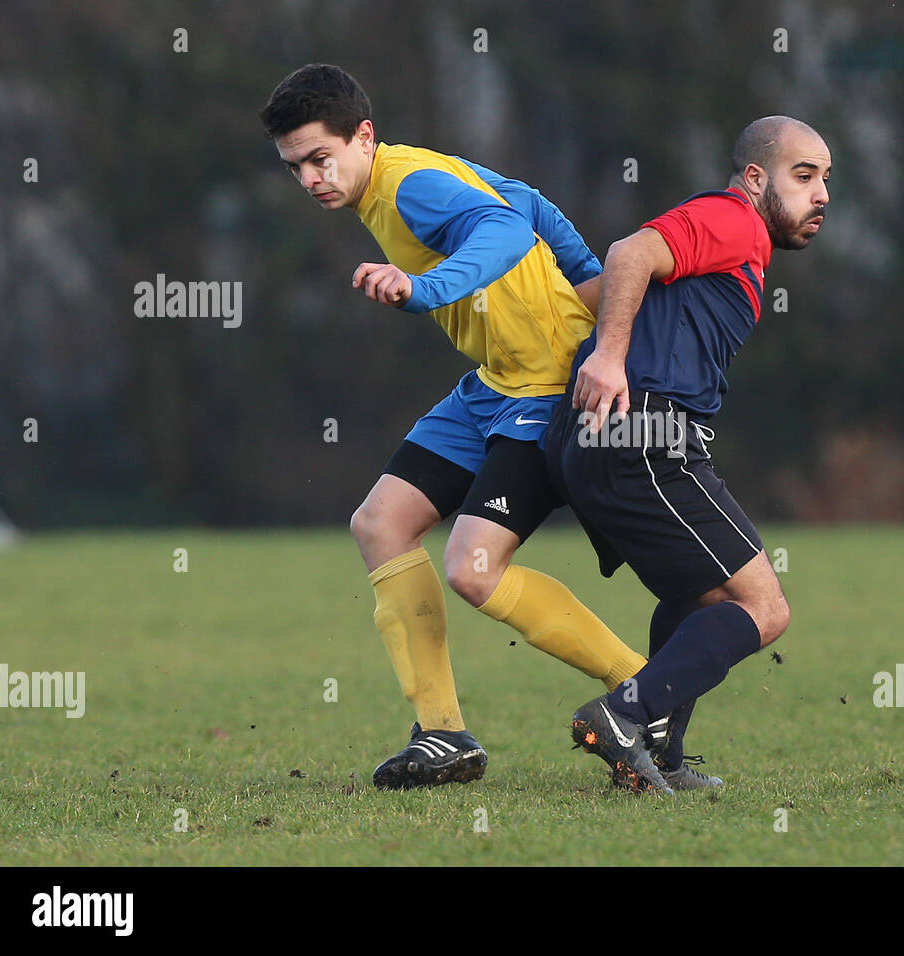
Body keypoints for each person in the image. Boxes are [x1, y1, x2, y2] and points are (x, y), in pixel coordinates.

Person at [259, 64, 646, 790]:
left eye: (320, 158)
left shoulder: (408, 185)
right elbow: (524, 199)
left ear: (362, 136)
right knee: (380, 524)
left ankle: (648, 690)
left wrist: (422, 288)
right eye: (295, 167)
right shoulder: (391, 181)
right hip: (494, 385)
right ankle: (443, 736)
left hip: (545, 385)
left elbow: (502, 224)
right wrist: (586, 271)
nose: (311, 178)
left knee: (473, 571)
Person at [546, 116, 831, 793]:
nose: (821, 194)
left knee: (699, 595)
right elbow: (629, 254)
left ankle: (656, 758)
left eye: (826, 180)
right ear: (755, 178)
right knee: (766, 610)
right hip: (642, 432)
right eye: (804, 175)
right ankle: (621, 716)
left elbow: (600, 294)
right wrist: (610, 358)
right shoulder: (733, 219)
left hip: (596, 439)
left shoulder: (742, 248)